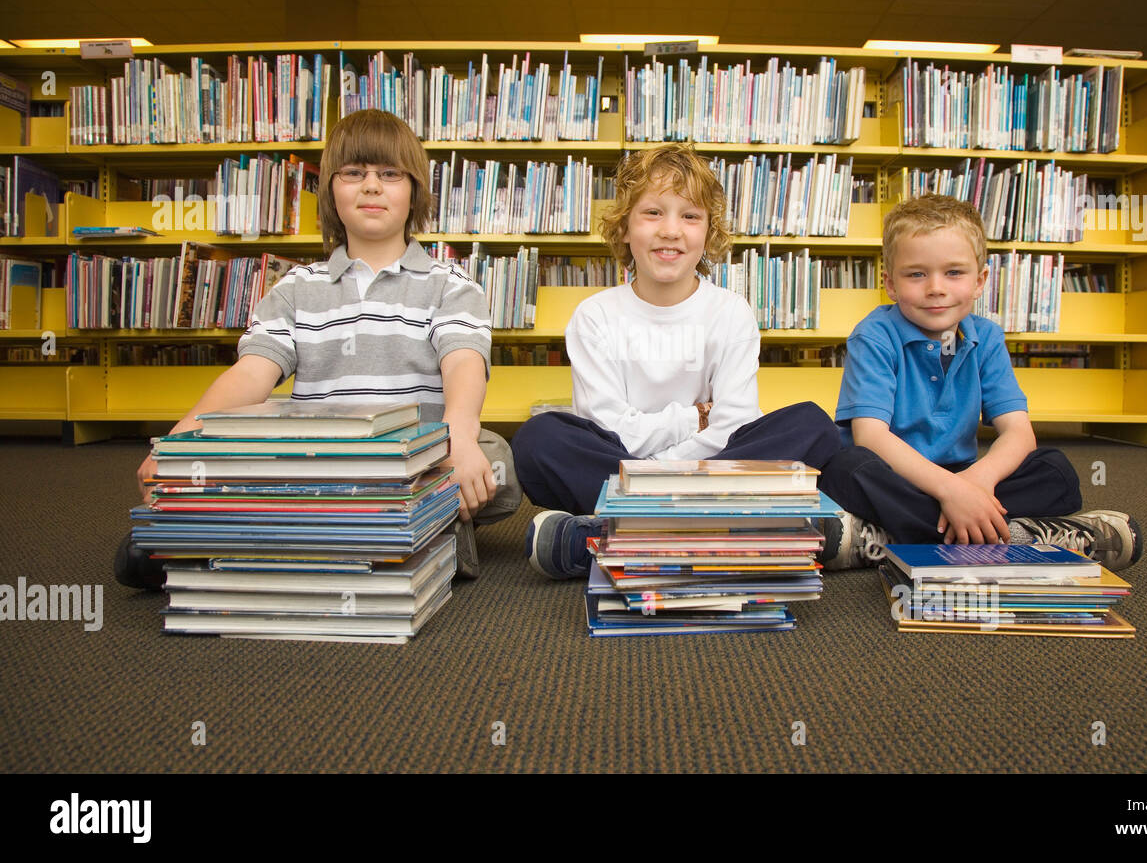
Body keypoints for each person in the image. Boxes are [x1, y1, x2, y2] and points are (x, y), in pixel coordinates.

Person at [115, 109, 520, 589]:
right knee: (238, 451)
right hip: (320, 458)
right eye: (354, 173)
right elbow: (251, 376)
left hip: (414, 458)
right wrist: (177, 443)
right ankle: (402, 537)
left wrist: (460, 438)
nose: (371, 186)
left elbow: (464, 364)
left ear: (414, 192)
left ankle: (264, 537)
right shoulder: (296, 287)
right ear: (331, 189)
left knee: (495, 460)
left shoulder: (449, 284)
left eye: (389, 174)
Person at [511, 143, 842, 579]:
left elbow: (732, 425)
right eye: (653, 213)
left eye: (690, 216)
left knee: (813, 425)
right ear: (626, 228)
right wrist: (693, 419)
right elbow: (611, 428)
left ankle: (617, 533)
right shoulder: (595, 316)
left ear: (707, 232)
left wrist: (657, 476)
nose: (671, 230)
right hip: (647, 469)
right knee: (539, 439)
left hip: (667, 474)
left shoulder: (731, 311)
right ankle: (717, 534)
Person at [817, 194, 1142, 570]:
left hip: (965, 477)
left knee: (1056, 471)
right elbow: (871, 437)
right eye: (916, 274)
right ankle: (1016, 535)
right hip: (895, 477)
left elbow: (1019, 434)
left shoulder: (986, 338)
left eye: (953, 273)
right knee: (847, 470)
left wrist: (974, 484)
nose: (935, 287)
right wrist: (951, 492)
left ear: (980, 280)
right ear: (890, 283)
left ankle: (885, 537)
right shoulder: (874, 335)